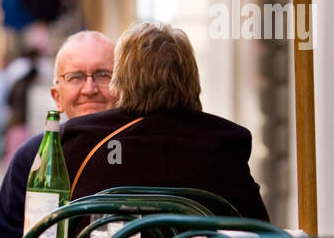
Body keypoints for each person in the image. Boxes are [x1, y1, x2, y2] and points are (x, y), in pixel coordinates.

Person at [61, 20, 270, 221]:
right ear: (191, 76)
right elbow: (258, 231)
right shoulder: (227, 141)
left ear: (121, 79)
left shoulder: (82, 137)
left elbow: (52, 231)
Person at [0, 29, 116, 238]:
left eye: (103, 75)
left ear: (123, 86)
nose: (89, 89)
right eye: (76, 77)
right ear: (57, 97)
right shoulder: (30, 157)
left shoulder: (140, 151)